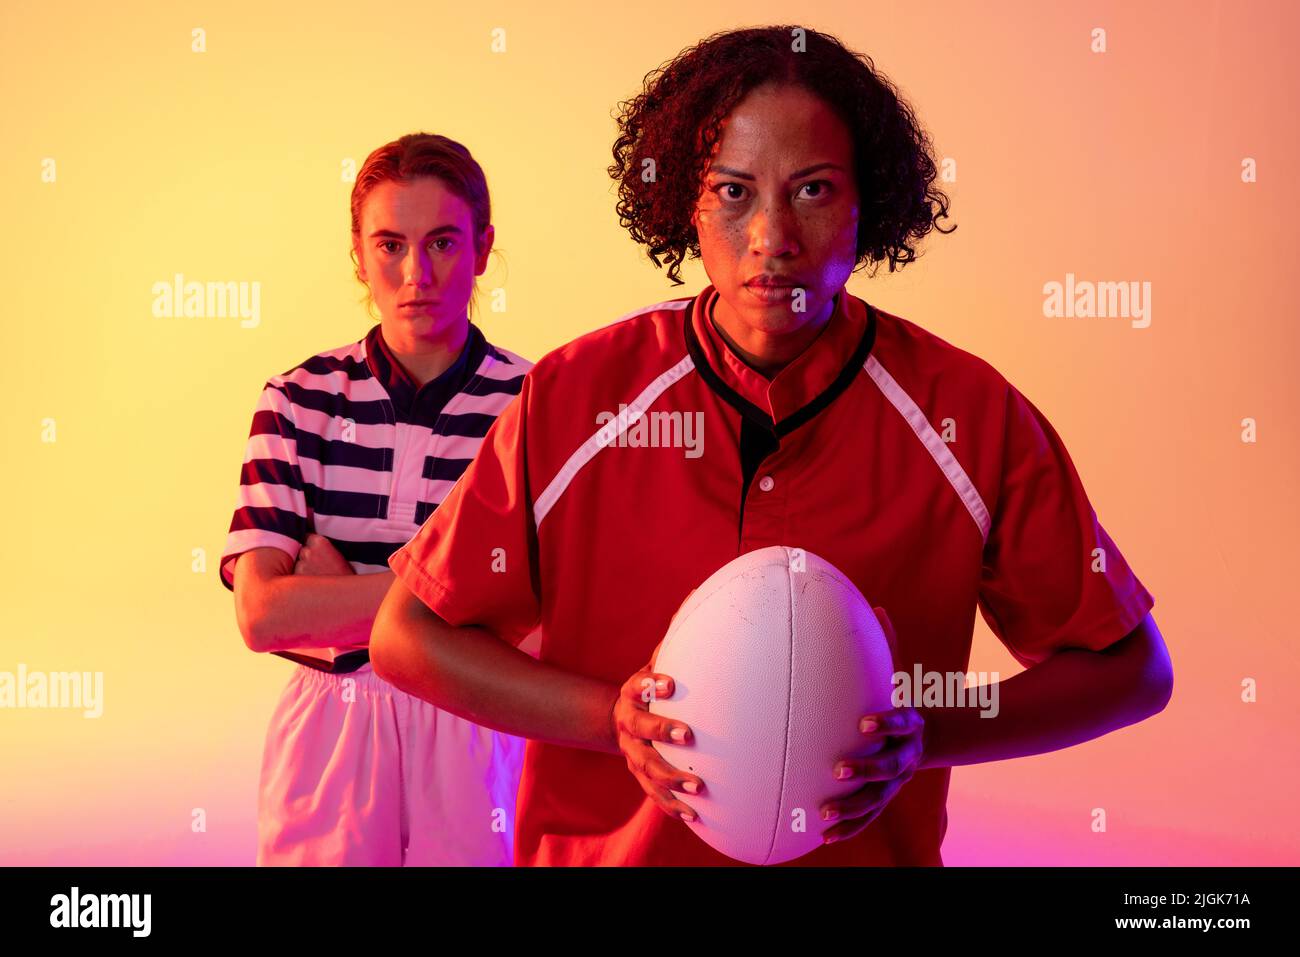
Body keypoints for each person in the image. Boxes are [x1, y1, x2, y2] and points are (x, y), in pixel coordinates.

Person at [369, 26, 1173, 866]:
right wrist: (612, 716)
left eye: (814, 190)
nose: (772, 236)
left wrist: (923, 735)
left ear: (871, 201)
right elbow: (407, 635)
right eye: (733, 192)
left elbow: (1133, 668)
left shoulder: (966, 415)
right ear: (685, 199)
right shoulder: (577, 398)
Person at [219, 132, 531, 866]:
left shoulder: (533, 404)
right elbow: (263, 614)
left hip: (476, 720)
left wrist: (345, 591)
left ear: (483, 248)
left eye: (443, 242)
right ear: (358, 254)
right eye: (390, 245)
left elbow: (543, 615)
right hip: (331, 725)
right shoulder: (296, 399)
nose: (415, 273)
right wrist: (452, 597)